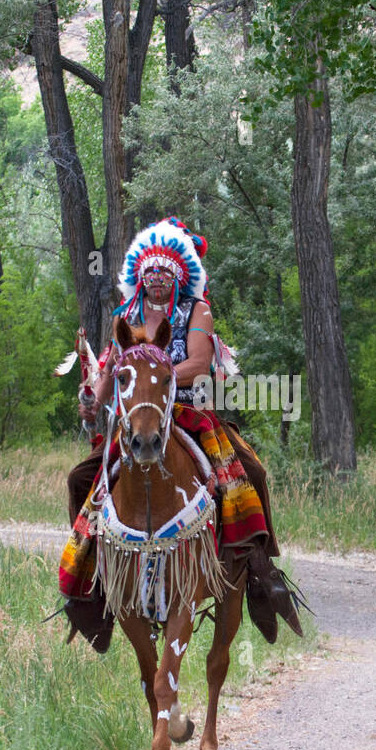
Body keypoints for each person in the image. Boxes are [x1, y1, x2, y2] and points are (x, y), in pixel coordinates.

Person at [60, 218, 303, 652]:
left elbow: (199, 360)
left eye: (164, 274)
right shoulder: (124, 314)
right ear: (140, 275)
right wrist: (94, 400)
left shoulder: (196, 311)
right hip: (136, 418)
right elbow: (112, 366)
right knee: (80, 479)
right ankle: (92, 577)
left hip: (189, 410)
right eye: (149, 274)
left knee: (251, 472)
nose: (156, 282)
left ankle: (260, 571)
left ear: (178, 276)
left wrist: (155, 370)